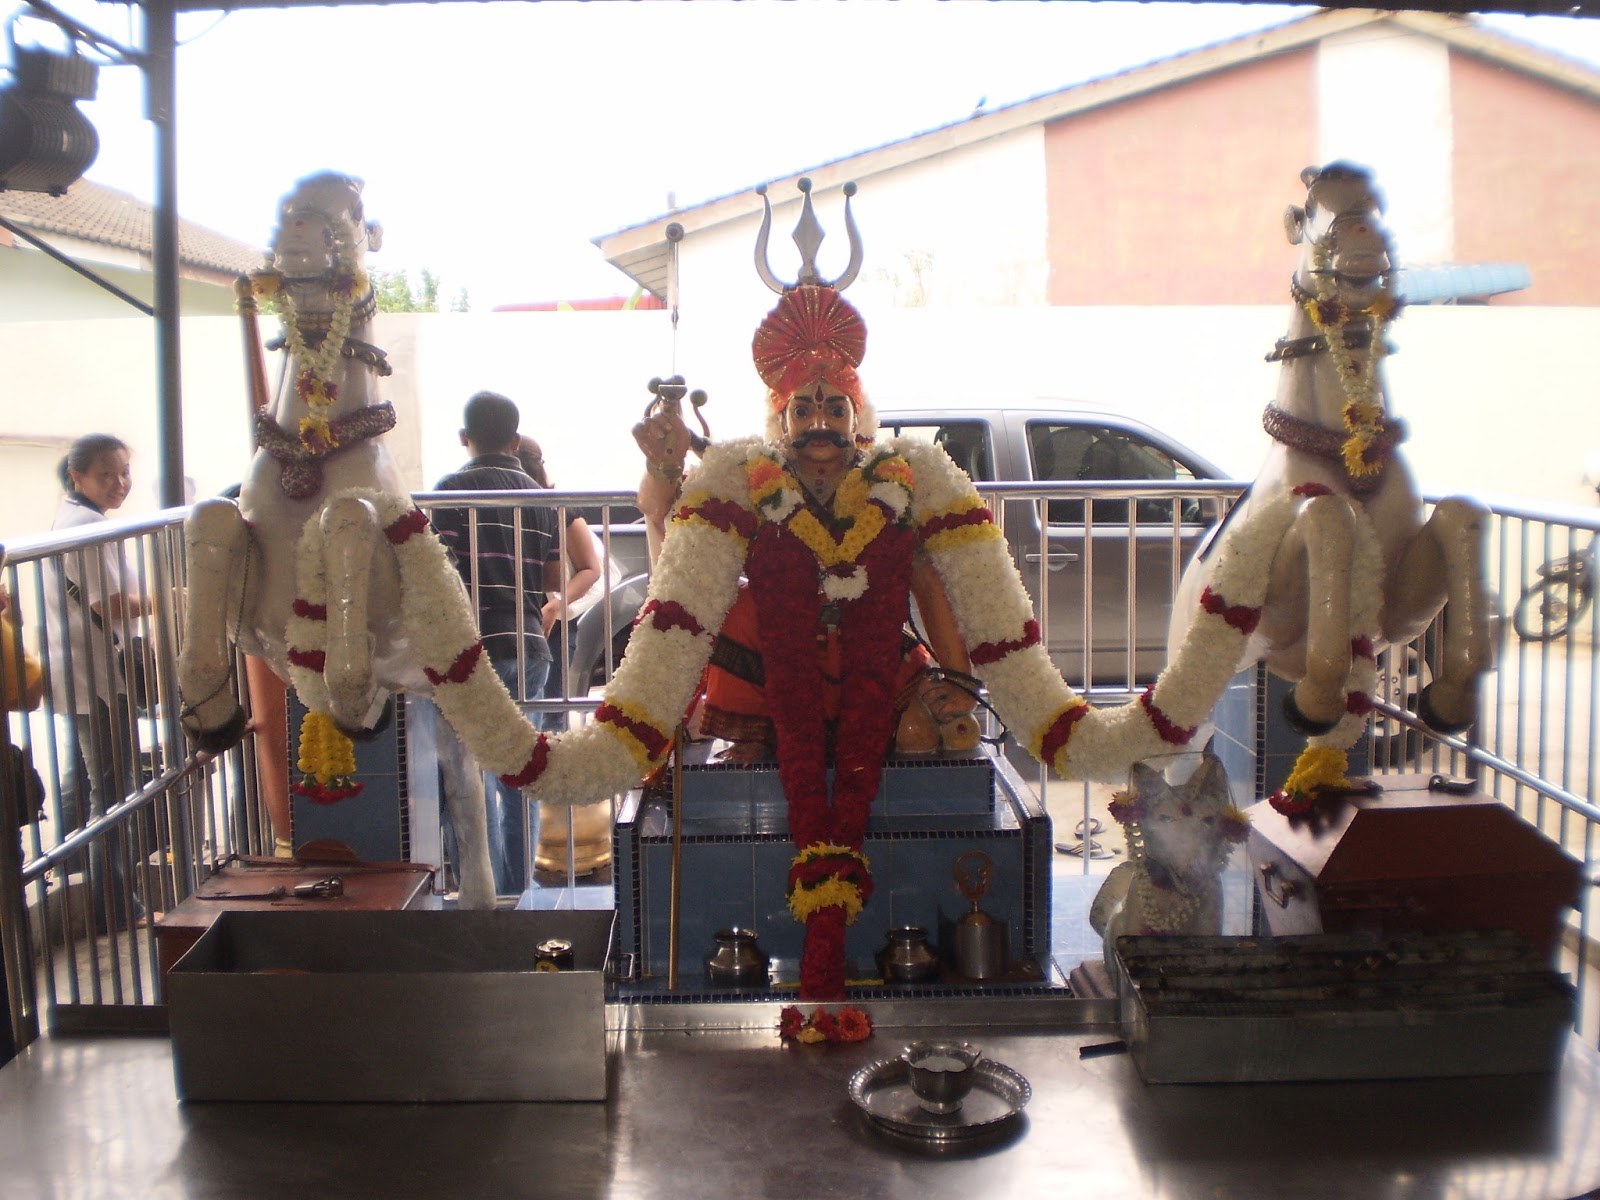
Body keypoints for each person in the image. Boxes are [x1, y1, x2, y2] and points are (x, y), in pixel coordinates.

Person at [429, 393, 563, 896]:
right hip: (529, 648)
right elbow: (552, 577)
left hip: (470, 653)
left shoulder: (447, 494)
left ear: (465, 439)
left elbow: (436, 573)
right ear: (515, 438)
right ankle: (518, 893)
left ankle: (481, 892)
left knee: (469, 775)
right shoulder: (540, 497)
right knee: (520, 777)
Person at [42, 434, 152, 930]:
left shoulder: (72, 520)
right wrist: (170, 597)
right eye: (107, 474)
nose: (120, 483)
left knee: (88, 777)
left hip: (81, 674)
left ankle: (76, 875)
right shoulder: (86, 526)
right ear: (77, 476)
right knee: (114, 788)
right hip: (99, 677)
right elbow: (109, 604)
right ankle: (113, 901)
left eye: (124, 471)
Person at [514, 435, 606, 721]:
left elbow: (591, 568)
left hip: (555, 622)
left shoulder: (560, 509)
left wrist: (556, 605)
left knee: (551, 711)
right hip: (521, 618)